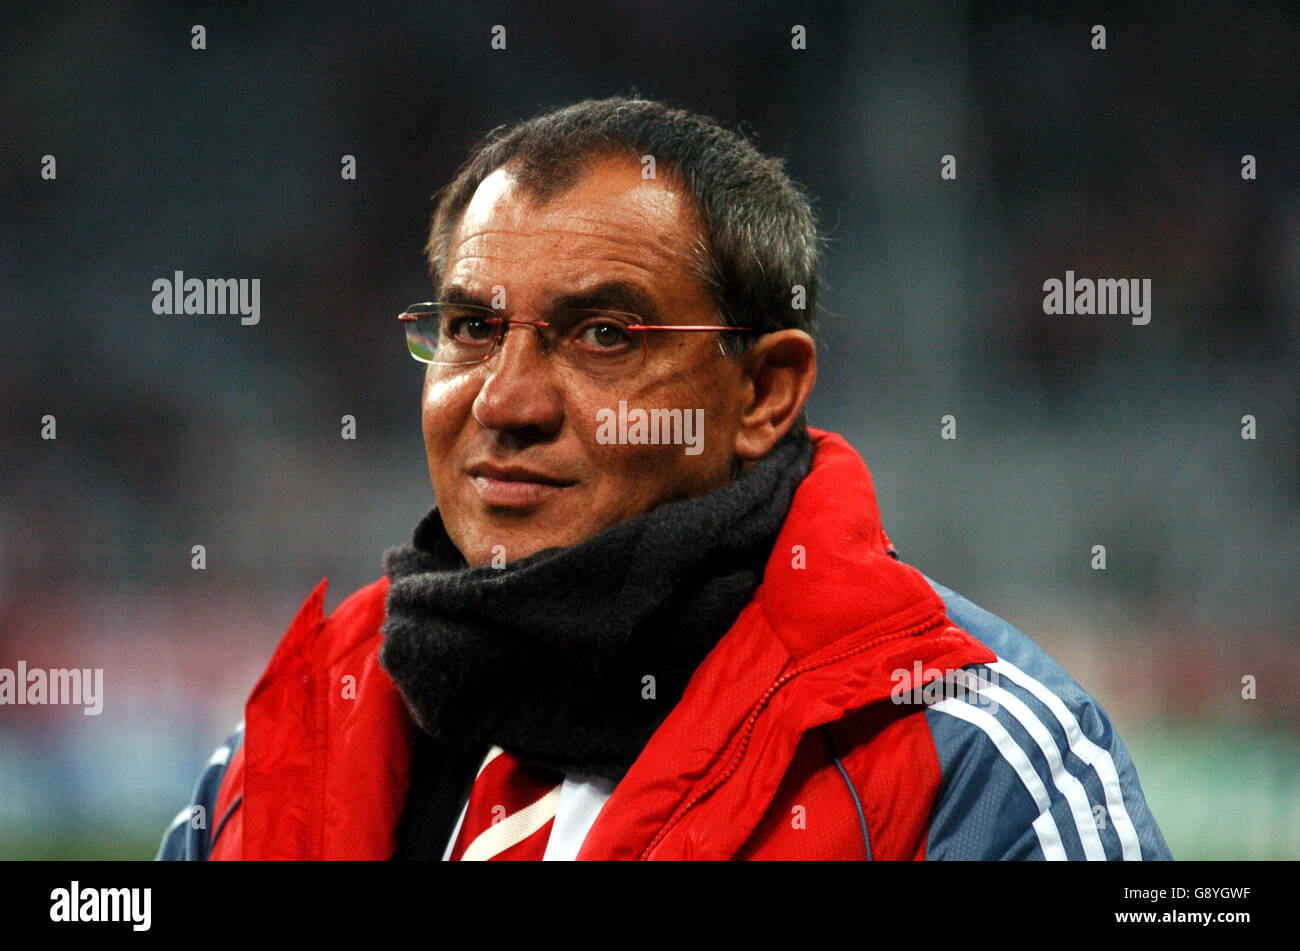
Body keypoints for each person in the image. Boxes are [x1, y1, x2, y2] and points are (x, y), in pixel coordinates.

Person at [158, 96, 1171, 861]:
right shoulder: (291, 737)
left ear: (765, 393)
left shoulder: (971, 756)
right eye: (471, 328)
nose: (506, 401)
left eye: (602, 334)